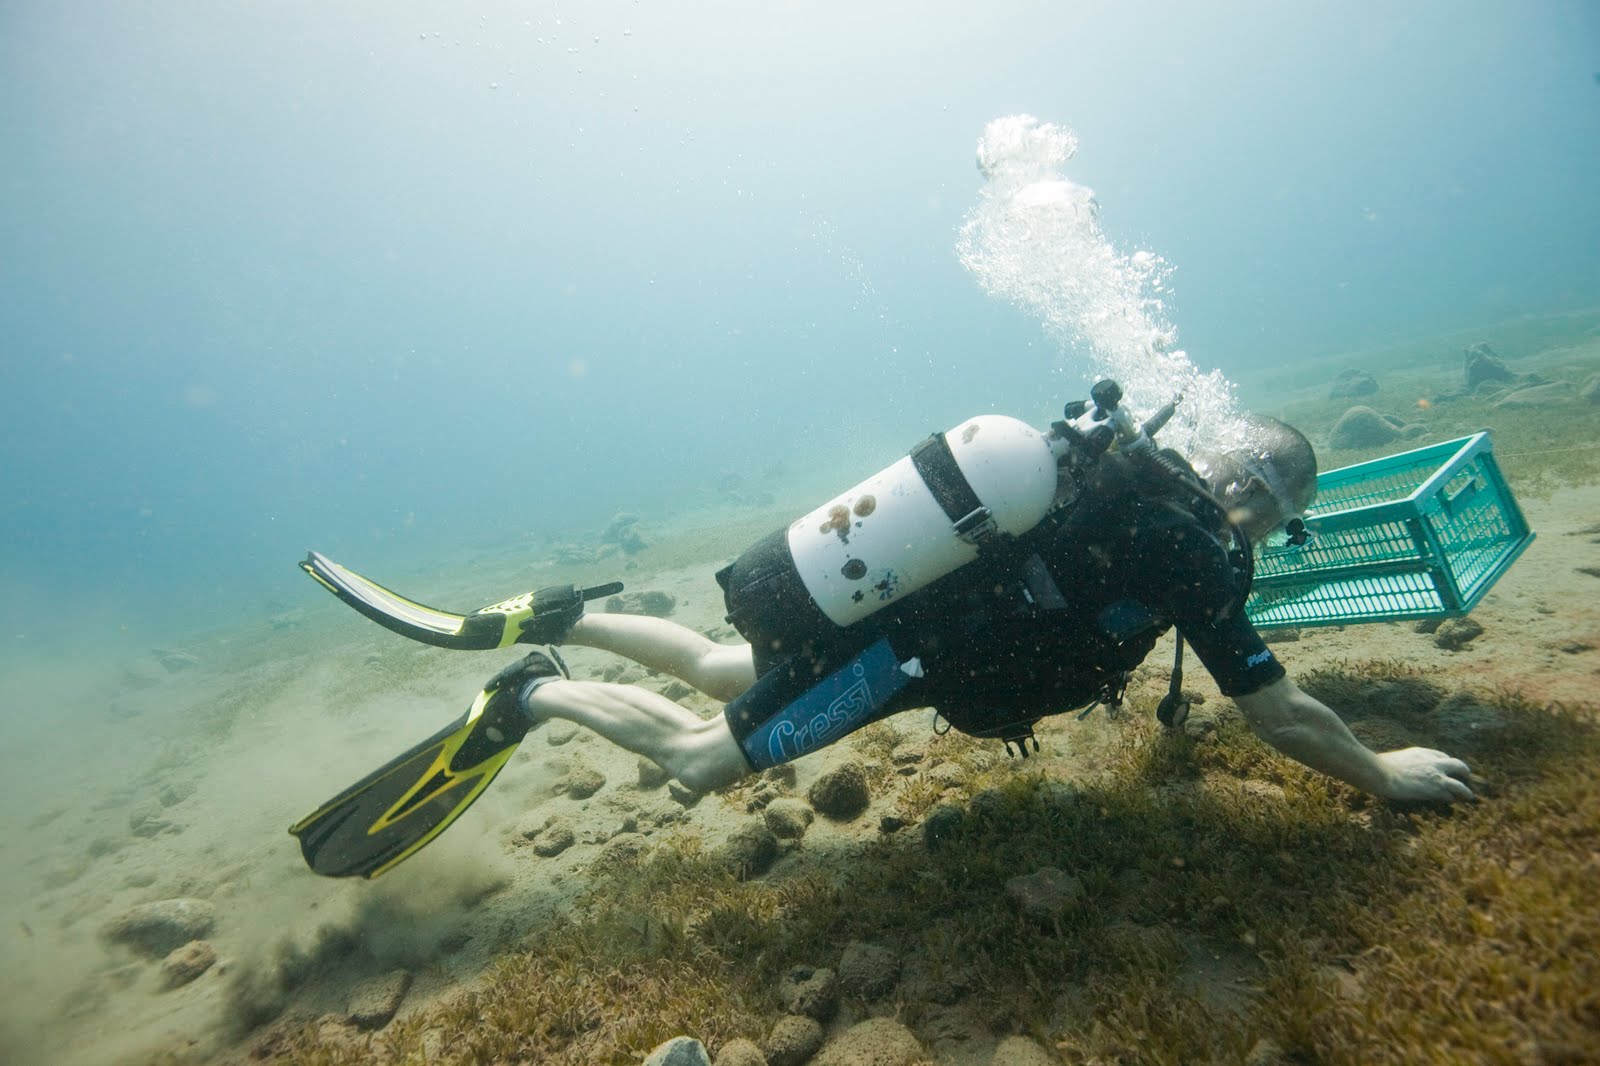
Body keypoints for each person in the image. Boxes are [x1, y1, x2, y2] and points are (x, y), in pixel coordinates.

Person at [289, 397, 1474, 879]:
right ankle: (535, 690)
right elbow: (1273, 709)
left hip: (904, 615)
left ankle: (573, 613)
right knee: (703, 757)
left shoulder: (1118, 476)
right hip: (911, 655)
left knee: (717, 666)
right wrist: (1377, 771)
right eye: (1258, 484)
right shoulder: (1191, 551)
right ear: (1226, 469)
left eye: (1275, 497)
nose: (1258, 506)